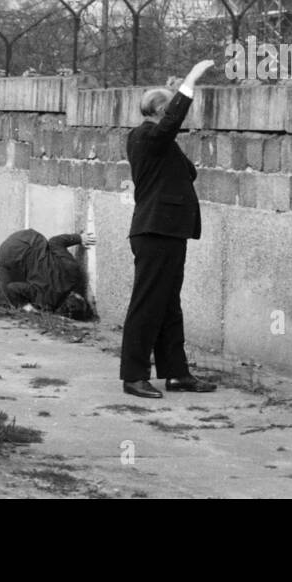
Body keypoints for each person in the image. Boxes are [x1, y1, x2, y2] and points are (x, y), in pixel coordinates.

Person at [120, 58, 217, 399]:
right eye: (169, 109)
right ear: (161, 110)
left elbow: (186, 172)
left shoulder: (160, 143)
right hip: (155, 232)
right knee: (147, 305)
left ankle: (176, 373)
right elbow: (173, 122)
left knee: (168, 304)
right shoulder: (146, 135)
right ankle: (133, 375)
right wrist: (190, 80)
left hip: (170, 232)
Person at [0, 227, 97, 319]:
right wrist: (25, 306)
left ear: (77, 295)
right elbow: (11, 289)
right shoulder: (46, 301)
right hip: (8, 256)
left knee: (23, 268)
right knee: (8, 299)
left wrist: (79, 238)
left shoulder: (73, 273)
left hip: (26, 237)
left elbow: (54, 242)